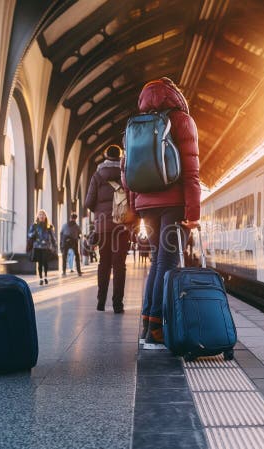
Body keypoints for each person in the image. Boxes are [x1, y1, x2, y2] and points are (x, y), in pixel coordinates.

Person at [123, 77, 201, 344]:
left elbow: (127, 173)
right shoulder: (182, 120)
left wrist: (135, 208)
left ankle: (148, 323)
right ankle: (156, 327)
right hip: (173, 204)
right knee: (167, 264)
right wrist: (193, 214)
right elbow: (191, 171)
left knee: (158, 261)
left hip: (146, 205)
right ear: (175, 95)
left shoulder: (134, 125)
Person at [85, 144, 133, 312]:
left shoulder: (97, 175)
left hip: (103, 226)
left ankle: (101, 302)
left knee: (104, 263)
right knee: (119, 265)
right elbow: (132, 199)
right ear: (120, 156)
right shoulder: (127, 173)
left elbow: (88, 202)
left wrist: (100, 212)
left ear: (106, 156)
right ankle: (118, 304)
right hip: (122, 225)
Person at [28, 210, 57, 285]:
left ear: (45, 216)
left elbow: (53, 237)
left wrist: (55, 246)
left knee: (45, 262)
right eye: (40, 214)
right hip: (37, 247)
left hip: (46, 247)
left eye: (43, 214)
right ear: (37, 216)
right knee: (40, 263)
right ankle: (41, 278)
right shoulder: (34, 226)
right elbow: (29, 235)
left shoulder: (49, 226)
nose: (41, 216)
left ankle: (45, 277)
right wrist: (34, 233)